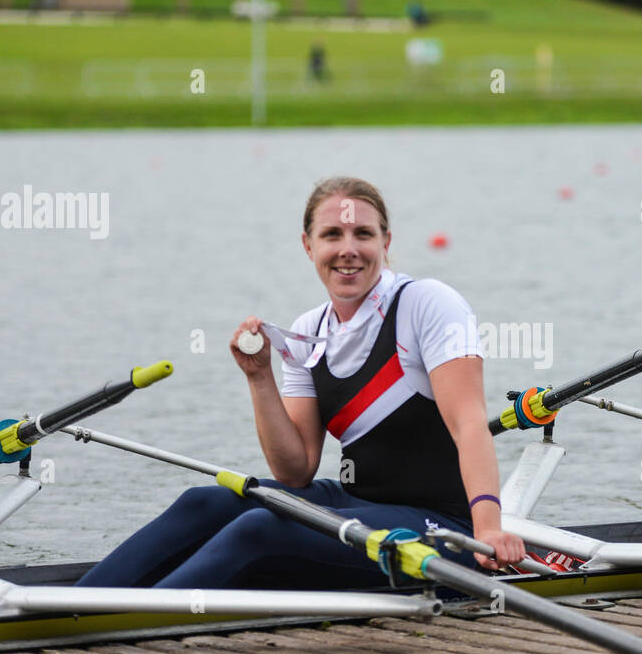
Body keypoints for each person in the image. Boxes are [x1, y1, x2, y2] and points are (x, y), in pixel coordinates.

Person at [78, 177, 525, 590]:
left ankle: (135, 614)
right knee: (205, 502)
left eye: (363, 235)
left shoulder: (428, 304)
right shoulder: (308, 332)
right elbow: (296, 472)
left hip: (443, 528)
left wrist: (487, 529)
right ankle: (78, 602)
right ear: (308, 245)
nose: (348, 249)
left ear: (386, 243)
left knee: (262, 527)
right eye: (332, 235)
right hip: (358, 509)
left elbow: (470, 425)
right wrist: (259, 377)